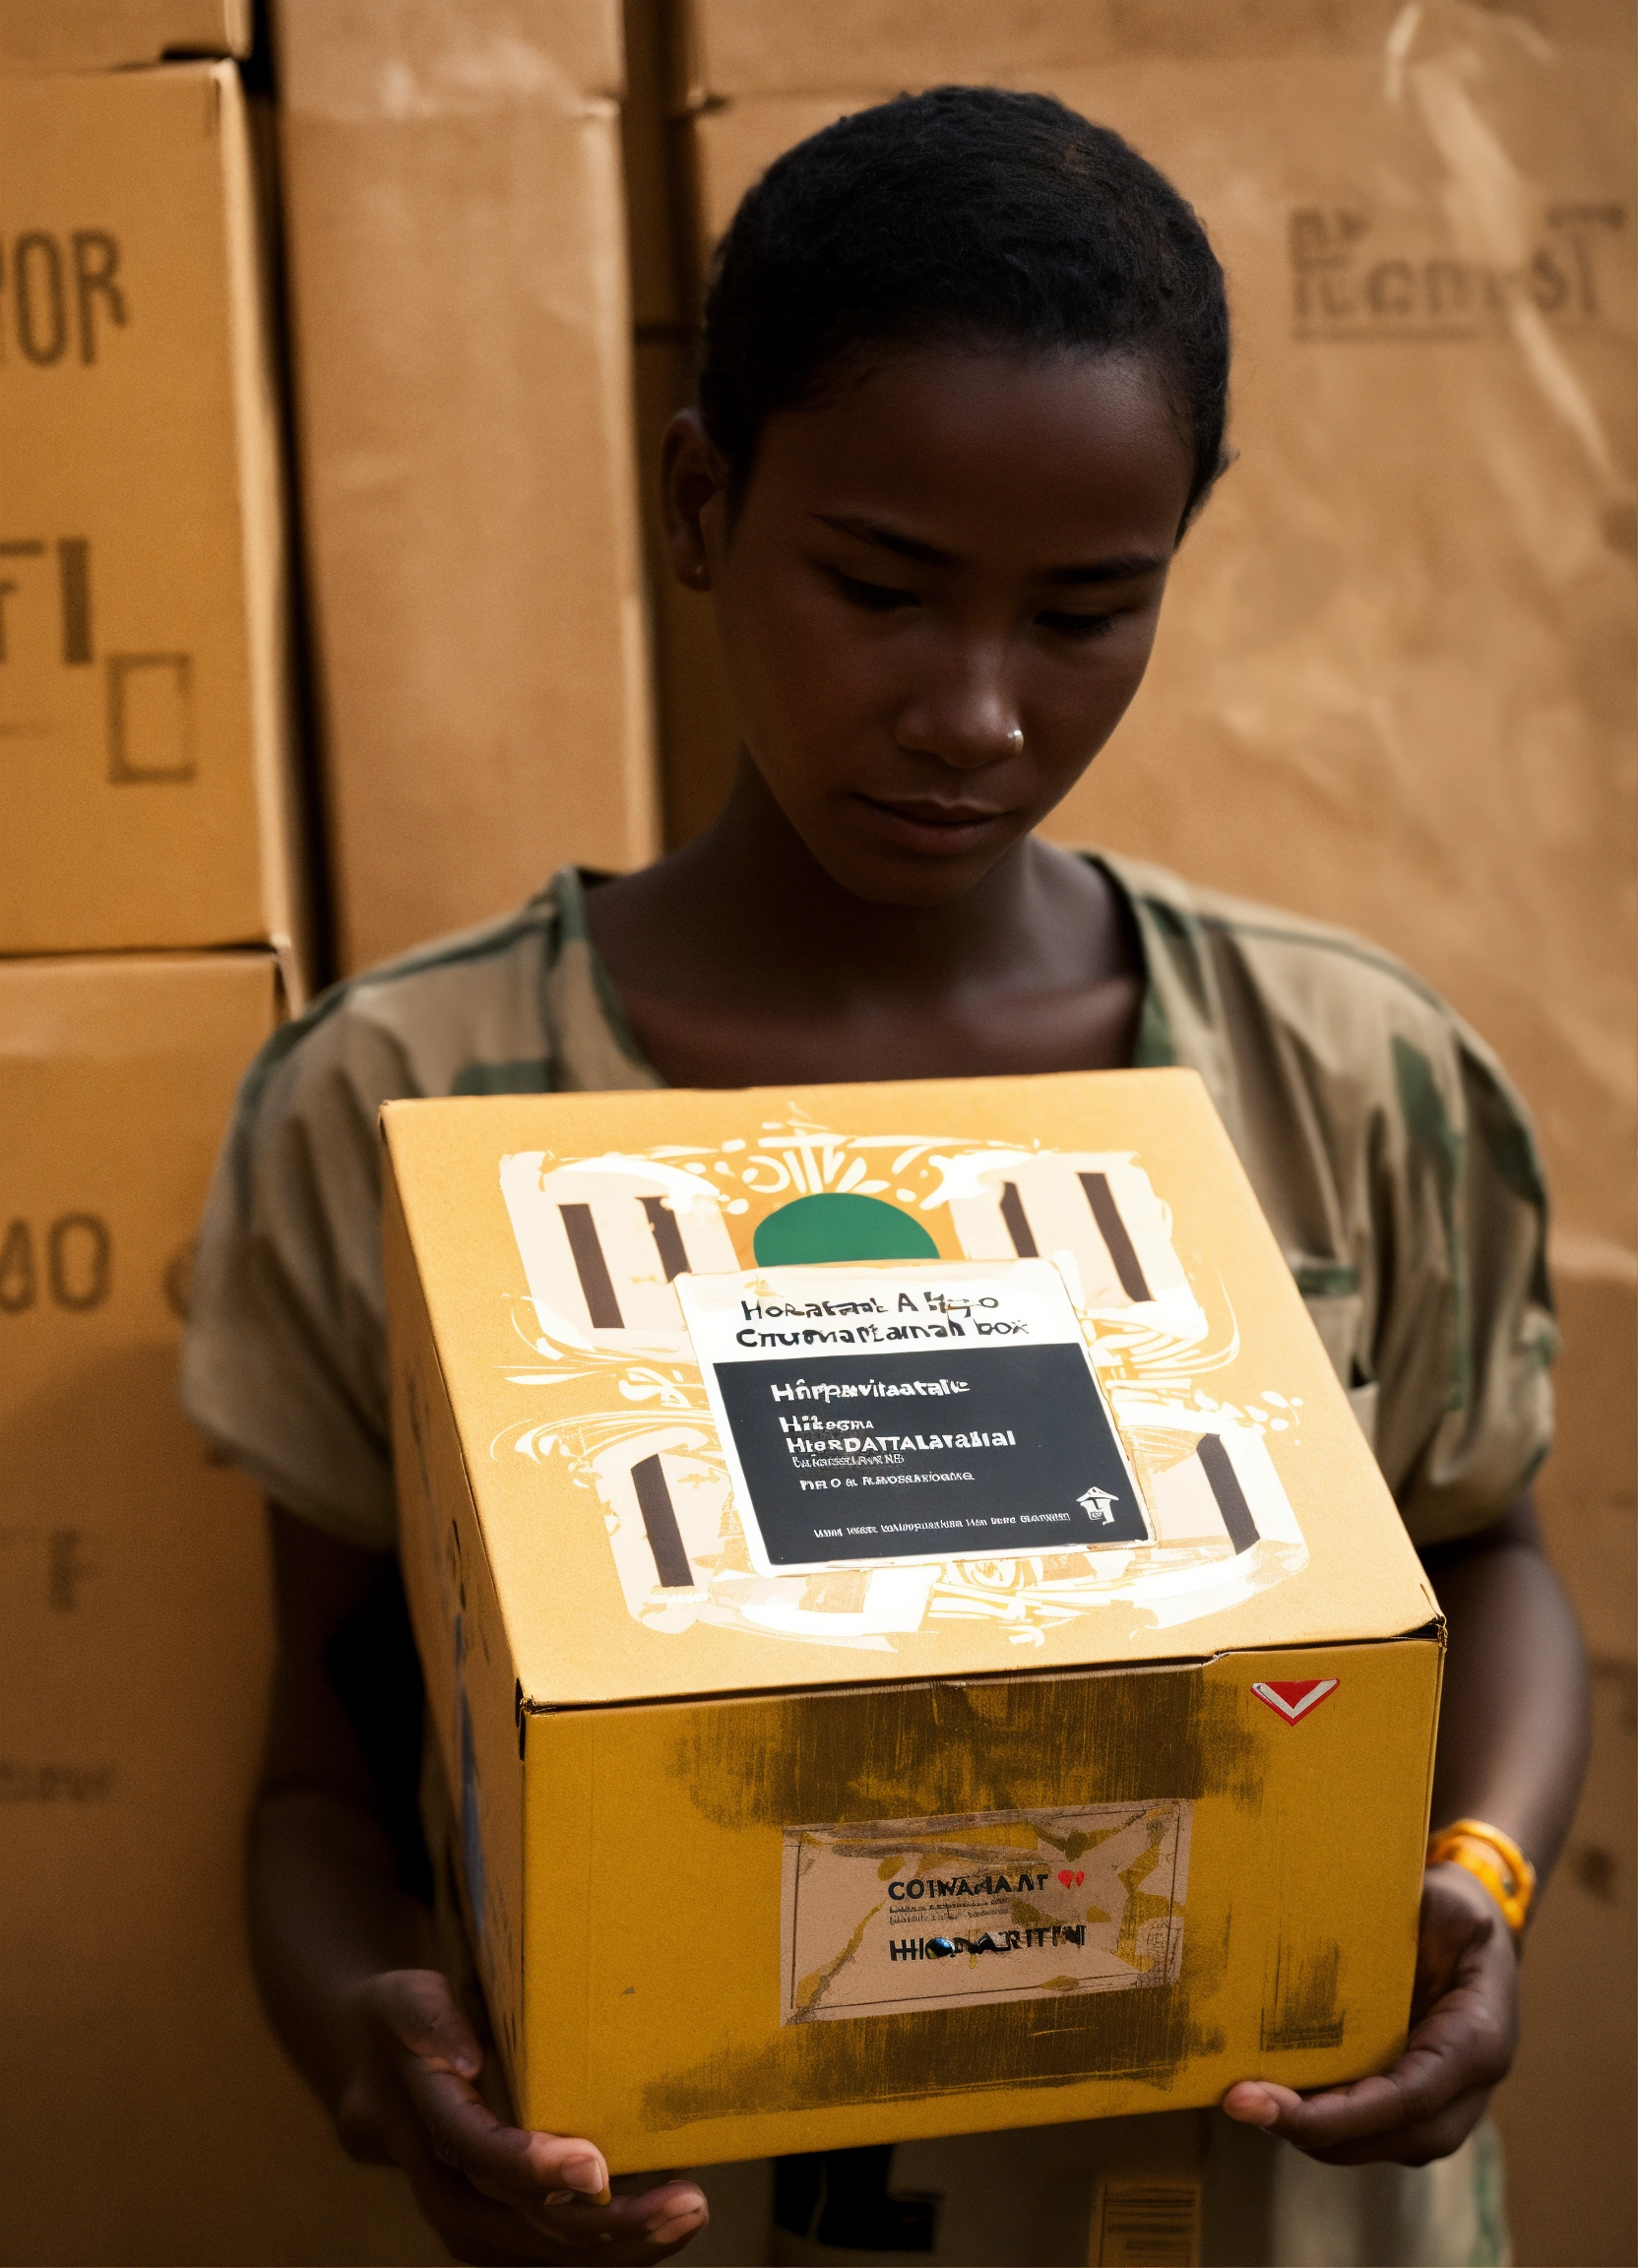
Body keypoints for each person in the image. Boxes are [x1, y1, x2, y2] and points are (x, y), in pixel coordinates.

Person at [181, 88, 1589, 2267]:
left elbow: (1479, 1559)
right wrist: (377, 2056)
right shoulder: (409, 1100)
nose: (971, 711)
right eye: (880, 587)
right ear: (696, 502)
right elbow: (324, 1775)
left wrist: (1473, 1885)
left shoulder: (1346, 1072)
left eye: (1086, 614)